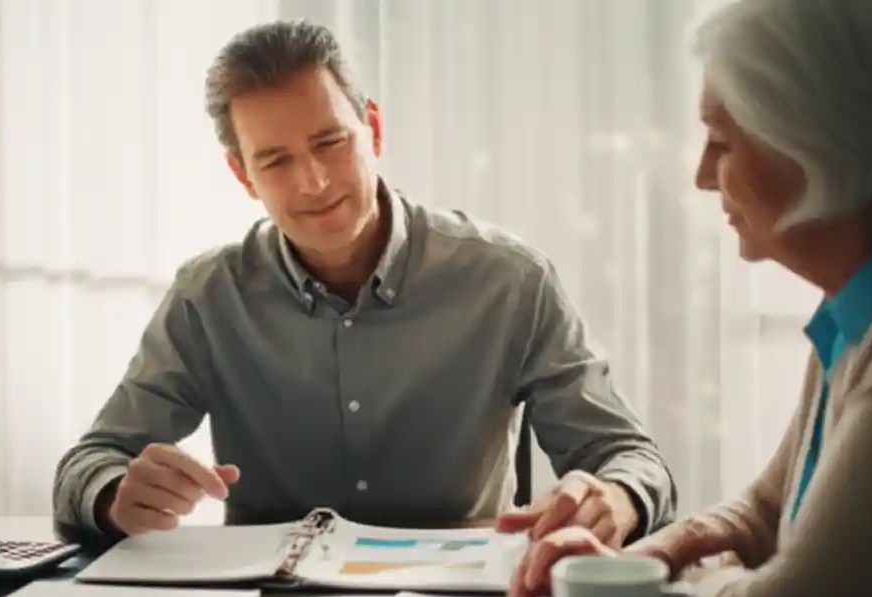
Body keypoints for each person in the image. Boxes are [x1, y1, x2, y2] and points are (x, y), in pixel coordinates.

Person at [54, 20, 676, 546]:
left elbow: (631, 460)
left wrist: (615, 498)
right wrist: (113, 494)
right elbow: (89, 462)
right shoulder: (207, 295)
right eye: (276, 161)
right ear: (243, 174)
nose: (315, 182)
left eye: (330, 143)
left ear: (372, 129)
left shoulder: (511, 281)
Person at [505, 1, 872, 597]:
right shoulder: (863, 308)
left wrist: (686, 585)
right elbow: (766, 510)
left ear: (821, 138)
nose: (705, 176)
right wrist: (658, 557)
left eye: (721, 140)